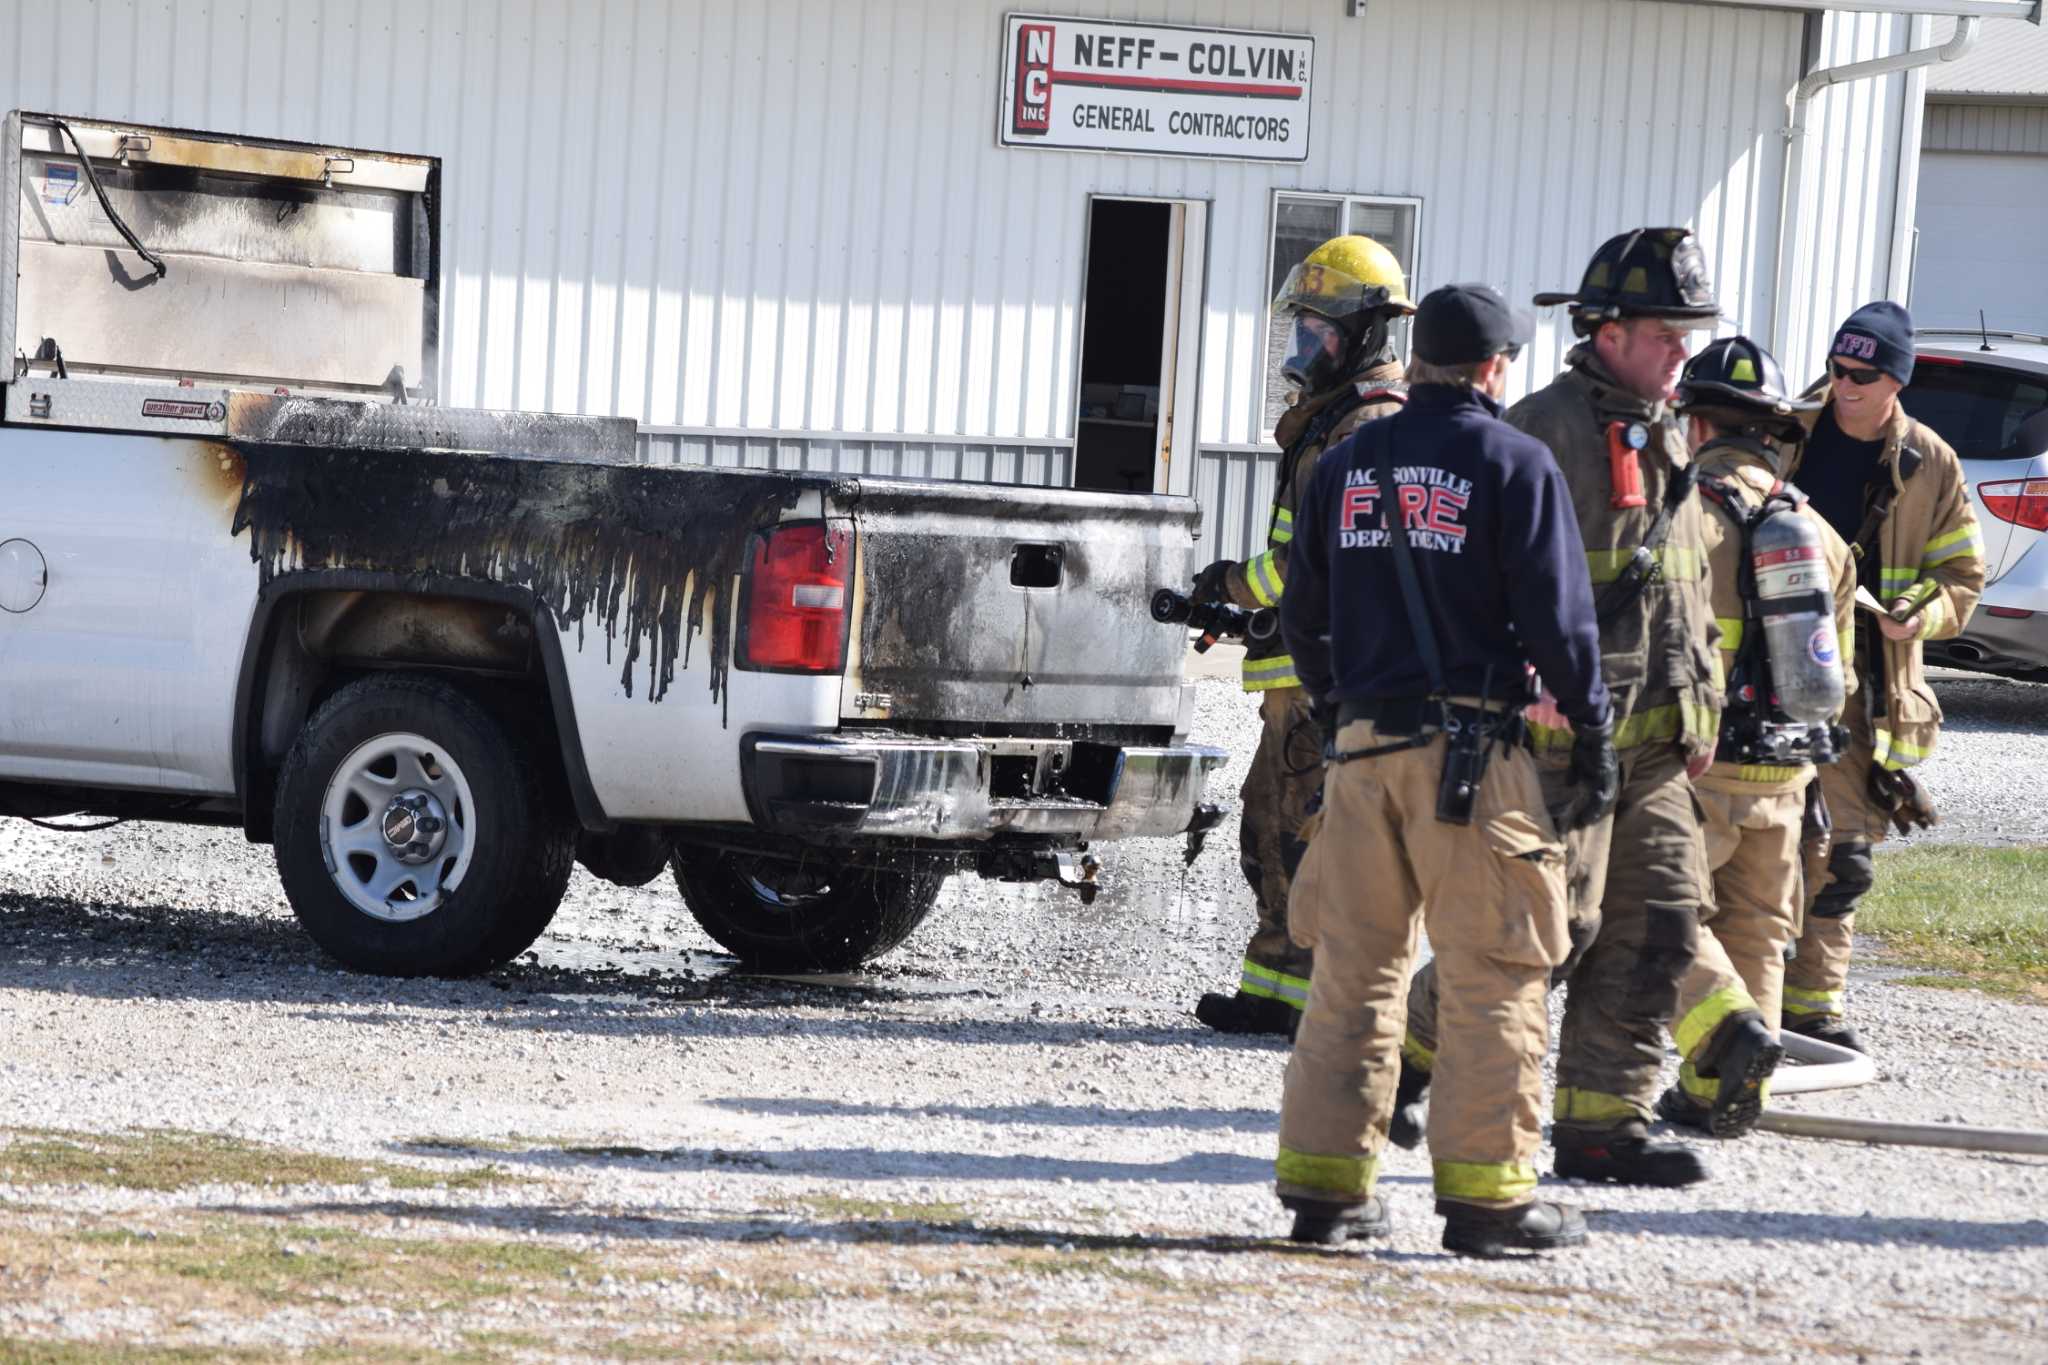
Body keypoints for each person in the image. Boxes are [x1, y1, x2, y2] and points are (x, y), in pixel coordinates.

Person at [1274, 282, 1616, 1258]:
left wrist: (1342, 710)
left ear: (1417, 358)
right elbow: (1557, 619)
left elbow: (1302, 617)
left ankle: (1326, 1193)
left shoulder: (1342, 466)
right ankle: (1488, 1204)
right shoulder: (1514, 461)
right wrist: (1589, 732)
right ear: (1496, 367)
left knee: (1349, 974)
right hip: (1470, 760)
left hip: (1360, 758)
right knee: (1494, 971)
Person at [1393, 229, 1723, 1187]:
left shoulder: (1667, 427)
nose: (1682, 352)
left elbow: (1682, 586)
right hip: (1557, 742)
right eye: (1667, 333)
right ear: (1606, 330)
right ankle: (1410, 1056)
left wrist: (1698, 708)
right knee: (1547, 934)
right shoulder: (1541, 431)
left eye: (1691, 334)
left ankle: (1600, 1125)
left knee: (1660, 922)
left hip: (1658, 743)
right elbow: (1489, 578)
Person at [1190, 235, 1415, 1038]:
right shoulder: (1333, 421)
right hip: (1298, 671)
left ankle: (1314, 998)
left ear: (1364, 334)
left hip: (1327, 679)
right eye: (1300, 329)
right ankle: (1272, 993)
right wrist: (1247, 614)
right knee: (1270, 830)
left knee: (1304, 837)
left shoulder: (1363, 430)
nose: (1300, 349)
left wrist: (1232, 586)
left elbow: (1311, 562)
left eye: (1317, 332)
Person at [1654, 337, 1855, 1137]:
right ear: (1772, 431)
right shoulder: (1819, 533)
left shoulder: (1678, 517)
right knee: (1758, 933)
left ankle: (1723, 1039)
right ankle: (1731, 1098)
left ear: (1697, 426)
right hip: (1785, 780)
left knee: (1656, 918)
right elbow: (1839, 678)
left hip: (1694, 769)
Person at [1780, 302, 1984, 1055]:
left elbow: (1963, 576)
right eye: (1837, 370)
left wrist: (1915, 613)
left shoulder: (1930, 463)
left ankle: (1813, 1009)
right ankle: (1735, 997)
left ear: (1896, 379)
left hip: (1862, 691)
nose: (1844, 385)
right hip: (1765, 673)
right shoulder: (1783, 434)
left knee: (1841, 859)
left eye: (1862, 375)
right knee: (1749, 846)